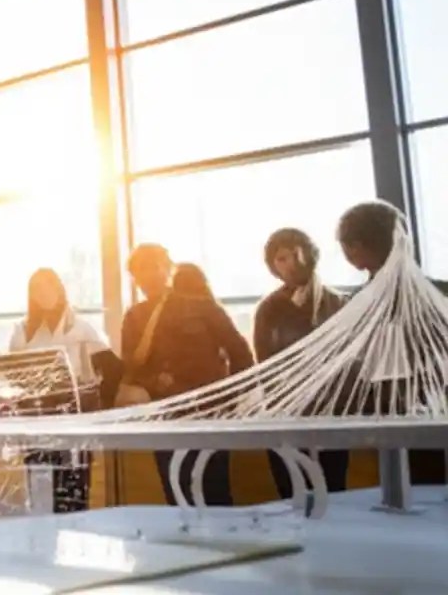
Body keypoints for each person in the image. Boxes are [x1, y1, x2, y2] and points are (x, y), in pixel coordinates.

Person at [120, 244, 255, 507]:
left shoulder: (203, 308)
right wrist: (153, 383)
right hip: (165, 416)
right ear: (134, 279)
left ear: (168, 268)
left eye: (155, 266)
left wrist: (229, 400)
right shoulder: (134, 317)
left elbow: (241, 354)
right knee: (176, 493)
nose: (149, 275)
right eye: (140, 270)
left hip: (209, 413)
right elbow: (130, 368)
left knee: (216, 491)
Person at [337, 200, 447, 485]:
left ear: (357, 247)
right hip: (423, 410)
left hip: (391, 415)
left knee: (405, 490)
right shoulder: (441, 292)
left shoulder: (360, 304)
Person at [7, 268, 115, 512]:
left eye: (49, 287)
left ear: (59, 290)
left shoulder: (82, 328)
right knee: (41, 488)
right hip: (36, 417)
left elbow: (104, 373)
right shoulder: (23, 331)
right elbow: (14, 373)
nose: (43, 294)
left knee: (74, 488)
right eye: (37, 290)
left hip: (73, 418)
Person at [253, 228, 349, 499]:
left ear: (309, 254)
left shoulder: (337, 302)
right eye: (281, 259)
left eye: (295, 255)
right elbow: (265, 364)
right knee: (292, 487)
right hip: (287, 409)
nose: (290, 265)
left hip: (332, 409)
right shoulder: (269, 308)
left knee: (332, 488)